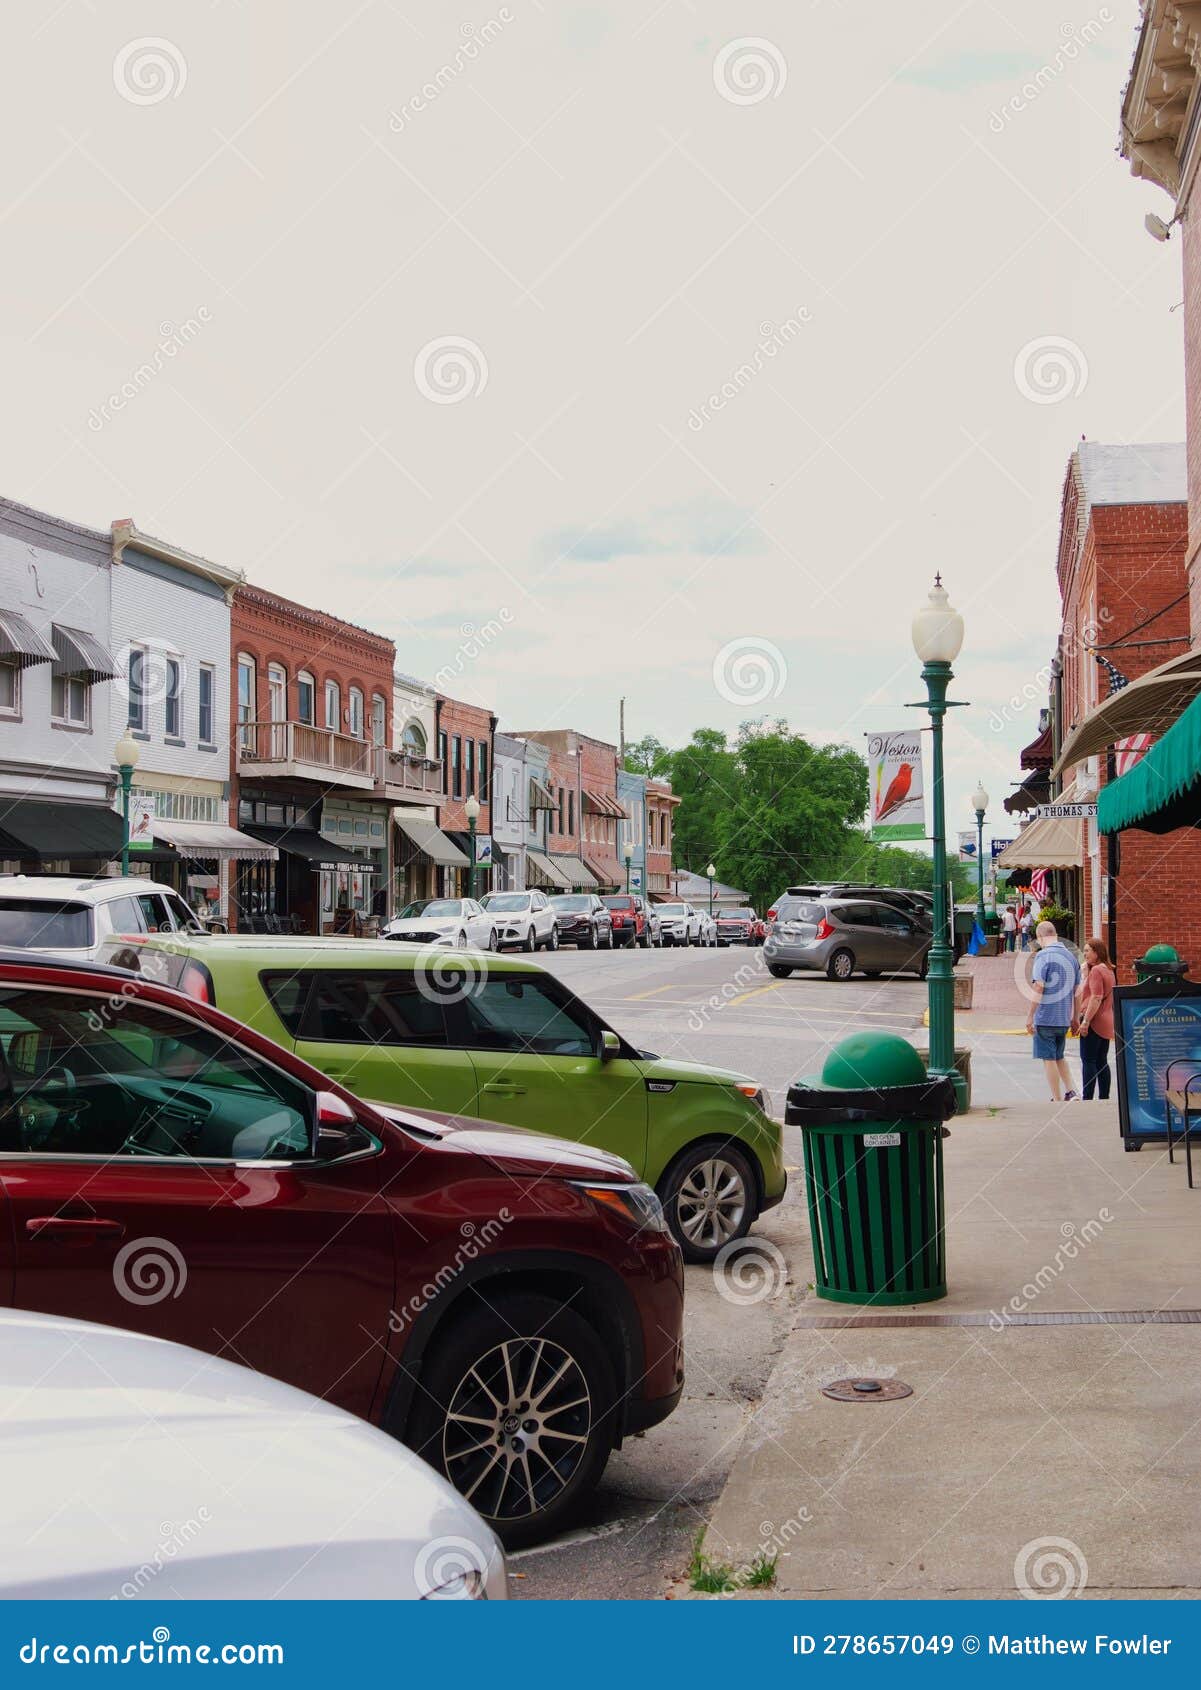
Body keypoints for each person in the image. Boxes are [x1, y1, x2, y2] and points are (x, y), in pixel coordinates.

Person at [1025, 919, 1082, 1102]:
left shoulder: (1043, 957)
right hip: (1064, 1017)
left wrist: (1030, 1016)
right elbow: (1077, 991)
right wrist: (1075, 1018)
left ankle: (1056, 1098)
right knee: (1059, 1056)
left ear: (1041, 937)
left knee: (1048, 1058)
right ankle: (1070, 1091)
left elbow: (1039, 987)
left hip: (1046, 1017)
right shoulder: (1071, 957)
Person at [1076, 936, 1117, 1101]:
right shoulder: (1108, 969)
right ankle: (1104, 1097)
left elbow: (1096, 997)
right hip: (1106, 1020)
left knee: (1088, 1060)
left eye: (1087, 950)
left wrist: (1085, 1022)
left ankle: (1088, 1098)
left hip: (1094, 1021)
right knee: (1101, 1061)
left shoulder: (1097, 971)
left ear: (1096, 952)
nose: (1084, 954)